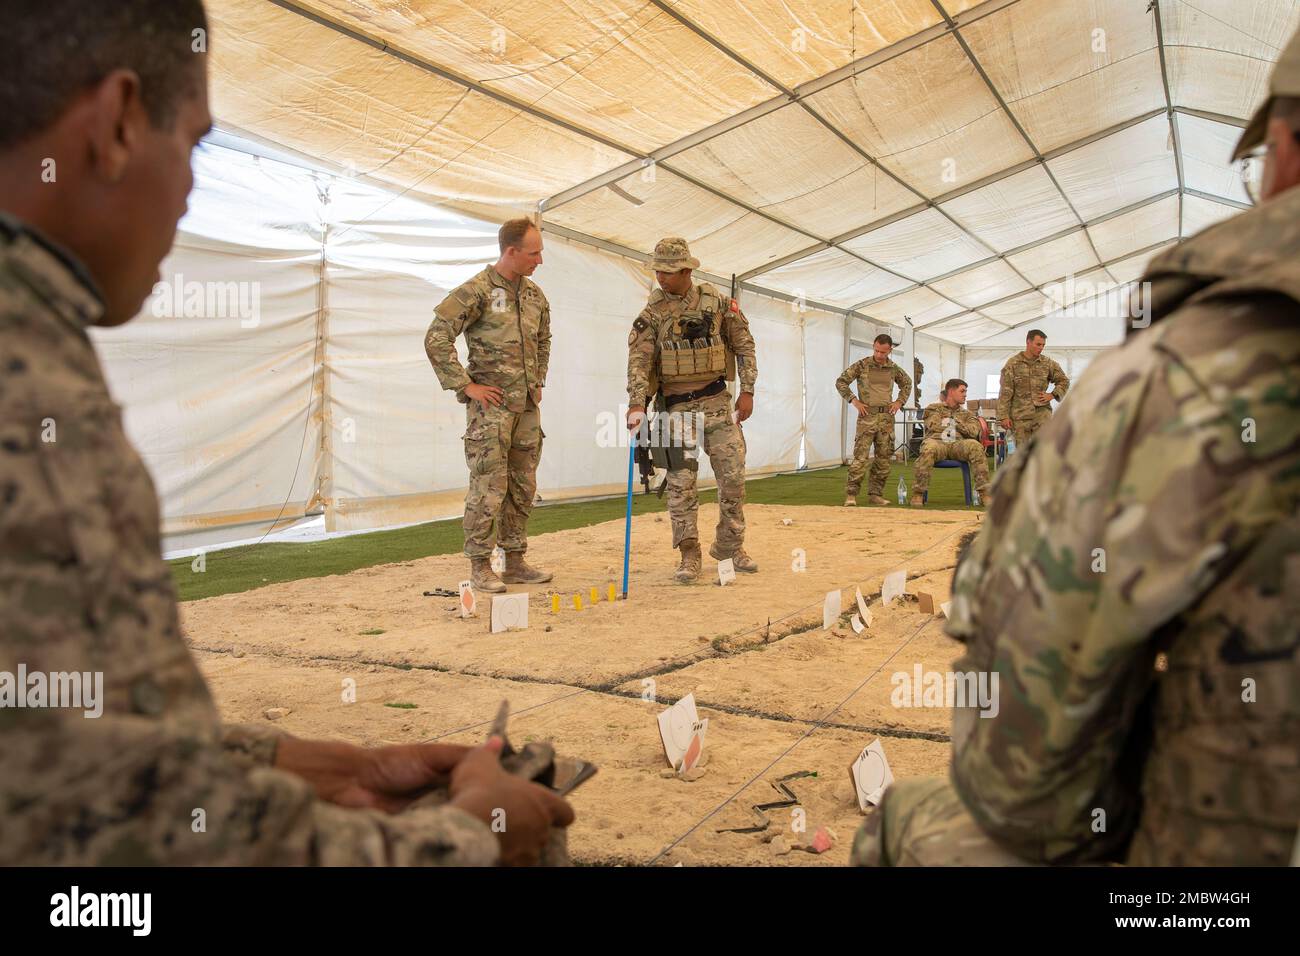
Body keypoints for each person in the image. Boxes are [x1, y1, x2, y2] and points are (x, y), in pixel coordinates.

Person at [0, 0, 572, 866]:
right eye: (193, 147)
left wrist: (309, 765)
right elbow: (118, 837)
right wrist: (464, 841)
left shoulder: (39, 340)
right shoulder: (30, 392)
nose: (190, 188)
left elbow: (59, 735)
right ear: (118, 122)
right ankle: (479, 566)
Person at [852, 26, 1300, 867]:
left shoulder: (1188, 373)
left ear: (1285, 147)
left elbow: (1024, 784)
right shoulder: (934, 380)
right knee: (945, 456)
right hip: (991, 435)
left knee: (905, 831)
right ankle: (888, 492)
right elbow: (953, 416)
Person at [425, 218, 553, 593]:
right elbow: (436, 338)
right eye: (533, 253)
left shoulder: (535, 296)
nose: (539, 260)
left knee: (522, 484)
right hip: (491, 410)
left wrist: (539, 379)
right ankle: (480, 565)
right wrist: (467, 386)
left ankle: (515, 560)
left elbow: (544, 338)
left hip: (526, 408)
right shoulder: (476, 291)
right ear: (510, 251)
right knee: (489, 486)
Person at [625, 238, 757, 583]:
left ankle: (731, 546)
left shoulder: (718, 305)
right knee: (680, 486)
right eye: (657, 271)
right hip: (675, 409)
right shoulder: (651, 315)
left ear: (687, 270)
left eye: (668, 272)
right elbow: (638, 362)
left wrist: (748, 390)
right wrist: (637, 403)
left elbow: (744, 345)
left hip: (717, 403)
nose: (661, 278)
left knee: (733, 479)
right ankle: (689, 552)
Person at [836, 334, 912, 506]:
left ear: (890, 350)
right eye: (877, 350)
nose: (879, 355)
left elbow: (907, 383)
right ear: (873, 346)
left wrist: (899, 401)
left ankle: (875, 495)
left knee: (883, 459)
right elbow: (841, 382)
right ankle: (851, 495)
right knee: (860, 458)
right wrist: (854, 400)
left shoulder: (894, 369)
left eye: (883, 352)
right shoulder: (862, 365)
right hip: (866, 417)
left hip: (886, 418)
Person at [908, 379, 990, 509]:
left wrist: (954, 422)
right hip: (937, 442)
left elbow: (974, 432)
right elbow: (934, 425)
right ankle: (918, 493)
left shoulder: (967, 414)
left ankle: (984, 493)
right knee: (929, 448)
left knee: (975, 446)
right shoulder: (933, 408)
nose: (965, 395)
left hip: (958, 445)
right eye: (962, 391)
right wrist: (959, 425)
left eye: (965, 392)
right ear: (951, 391)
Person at [996, 329, 1069, 449]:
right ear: (1028, 342)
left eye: (1043, 345)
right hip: (1020, 417)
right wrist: (1003, 416)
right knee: (1022, 454)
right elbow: (1005, 391)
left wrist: (1052, 395)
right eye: (1038, 344)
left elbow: (1064, 381)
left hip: (1042, 415)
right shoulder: (1013, 363)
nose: (1041, 348)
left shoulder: (1047, 363)